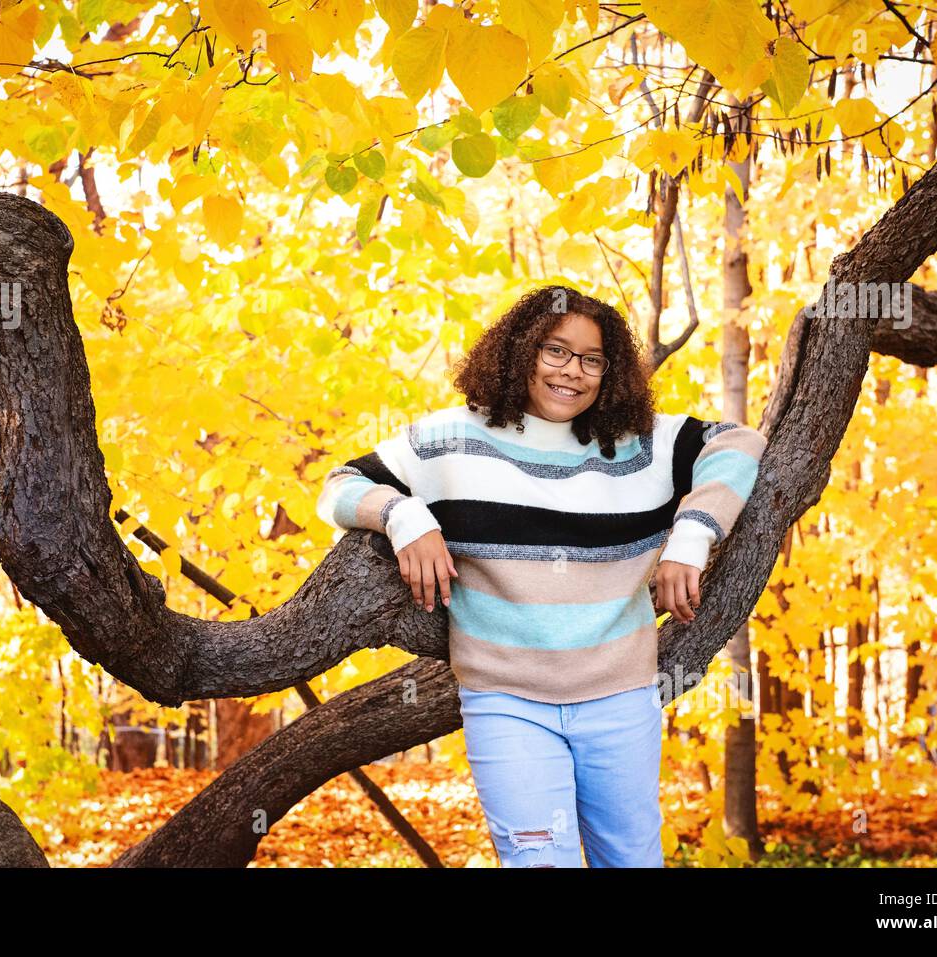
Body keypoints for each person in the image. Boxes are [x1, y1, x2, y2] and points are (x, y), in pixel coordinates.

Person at [315, 284, 766, 867]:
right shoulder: (451, 441)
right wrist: (404, 516)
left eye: (591, 359)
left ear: (610, 371)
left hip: (622, 699)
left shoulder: (641, 445)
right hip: (506, 702)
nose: (572, 371)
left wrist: (692, 535)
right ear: (520, 351)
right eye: (556, 351)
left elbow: (740, 441)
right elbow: (338, 487)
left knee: (631, 861)